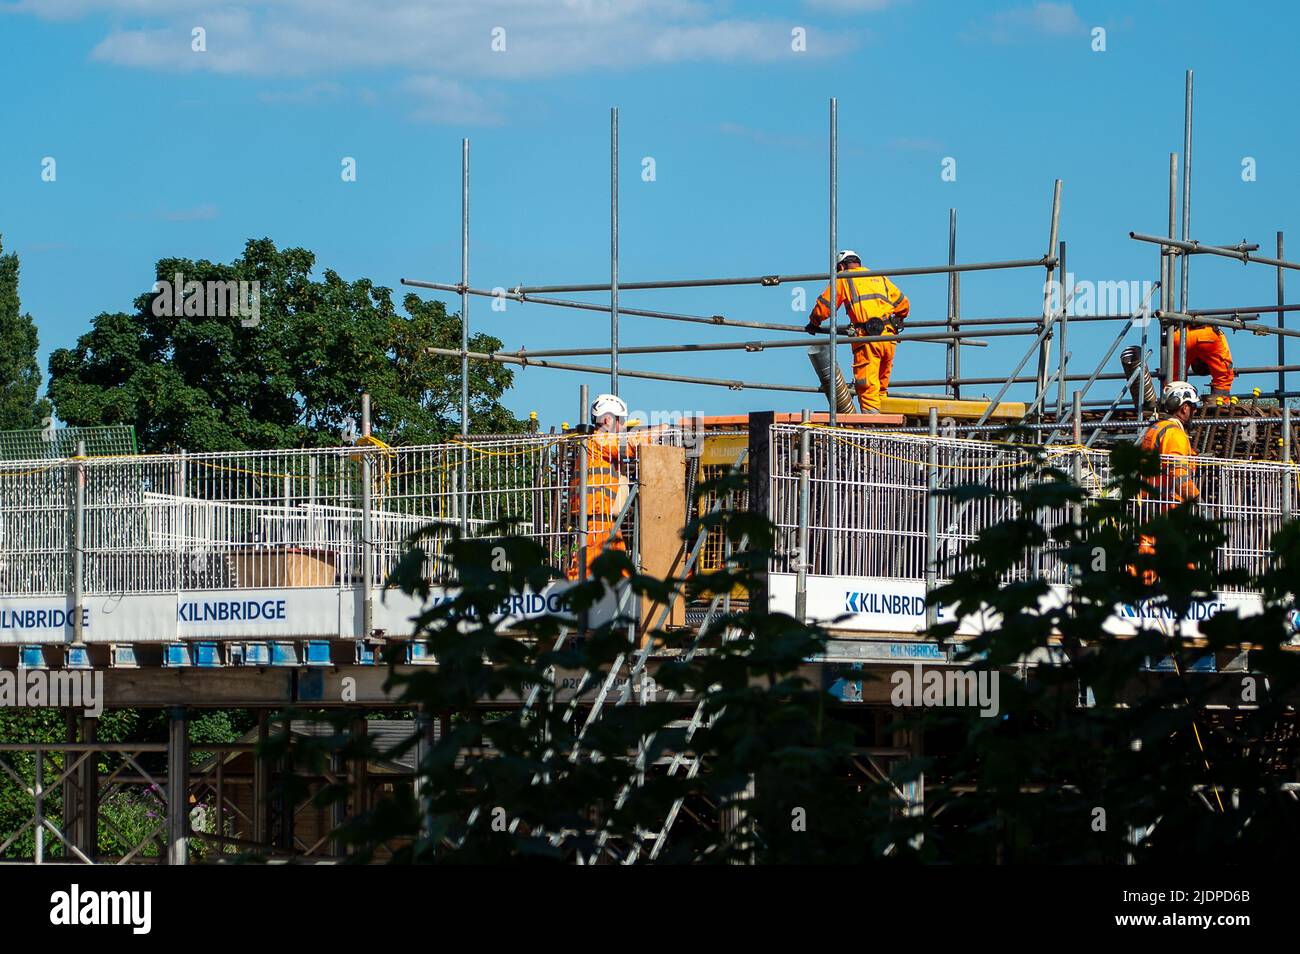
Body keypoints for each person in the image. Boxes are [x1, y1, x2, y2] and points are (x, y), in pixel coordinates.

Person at [805, 250, 910, 413]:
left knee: (867, 384)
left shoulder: (844, 278)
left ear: (840, 266)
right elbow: (904, 304)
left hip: (868, 338)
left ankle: (873, 428)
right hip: (889, 337)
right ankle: (885, 421)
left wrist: (813, 322)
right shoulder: (879, 277)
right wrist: (899, 318)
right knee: (881, 386)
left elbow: (824, 307)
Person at [566, 393, 653, 581]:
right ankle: (570, 605)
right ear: (607, 419)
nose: (623, 428)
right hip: (595, 523)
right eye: (622, 422)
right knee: (583, 574)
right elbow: (630, 444)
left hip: (607, 521)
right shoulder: (598, 440)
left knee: (622, 575)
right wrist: (662, 431)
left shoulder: (601, 445)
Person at [1136, 381, 1201, 584]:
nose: (1194, 412)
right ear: (1184, 407)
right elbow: (1178, 473)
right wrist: (1195, 496)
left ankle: (1139, 590)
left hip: (1150, 499)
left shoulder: (1155, 429)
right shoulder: (1175, 434)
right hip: (1170, 502)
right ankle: (1187, 593)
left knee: (1147, 548)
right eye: (1193, 407)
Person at [1170, 323, 1234, 401]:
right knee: (1224, 377)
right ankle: (1219, 402)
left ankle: (1173, 402)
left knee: (1174, 378)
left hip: (1180, 334)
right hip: (1206, 336)